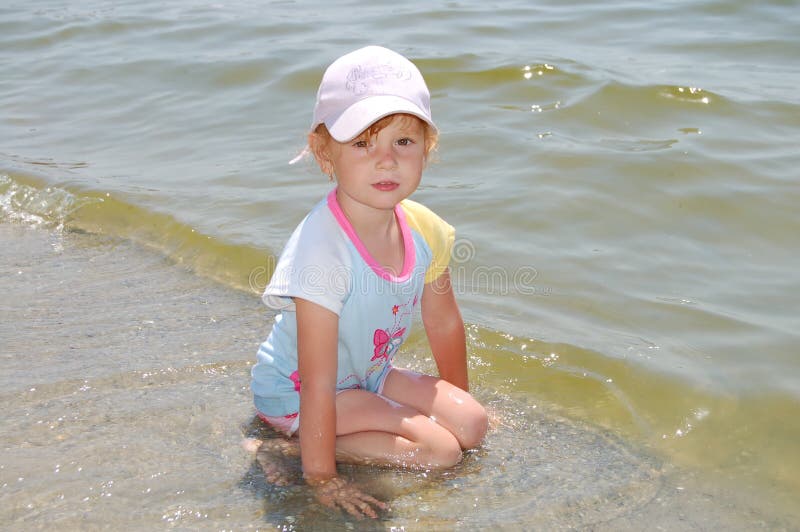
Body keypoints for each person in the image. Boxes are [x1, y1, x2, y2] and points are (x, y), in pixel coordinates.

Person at [249, 45, 488, 519]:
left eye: (403, 142)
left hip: (366, 375)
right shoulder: (323, 250)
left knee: (474, 424)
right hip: (298, 392)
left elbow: (443, 324)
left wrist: (455, 407)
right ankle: (285, 450)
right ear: (325, 152)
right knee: (439, 452)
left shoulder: (424, 229)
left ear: (427, 148)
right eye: (362, 144)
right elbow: (318, 383)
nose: (385, 161)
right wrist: (322, 479)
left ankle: (359, 432)